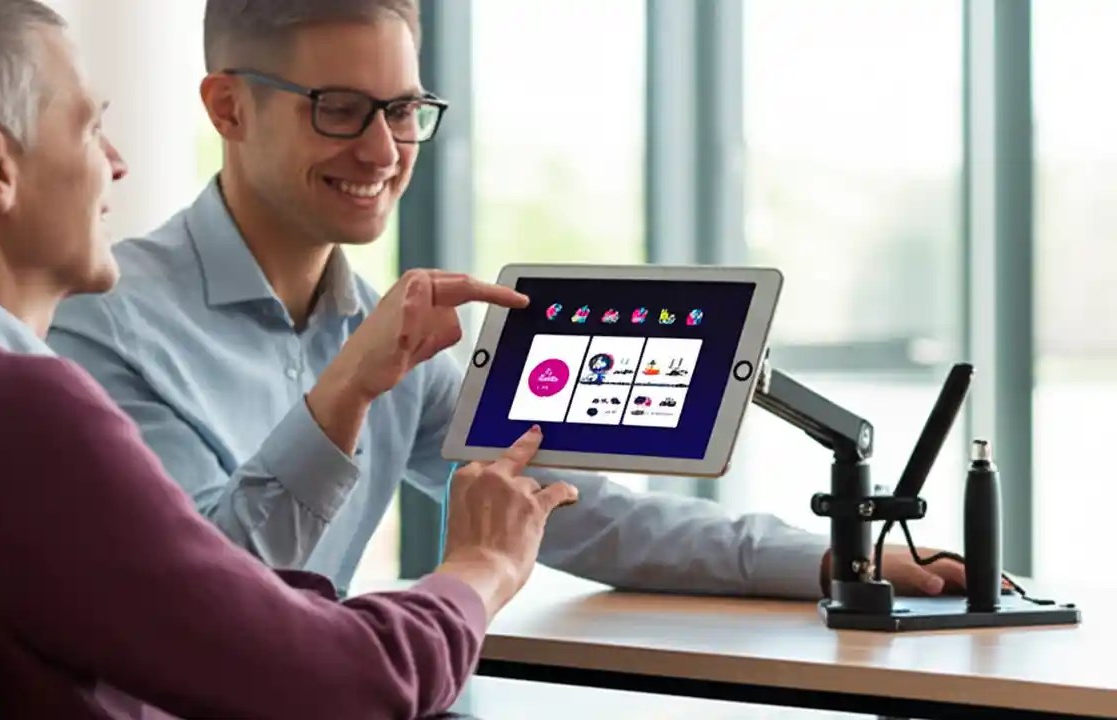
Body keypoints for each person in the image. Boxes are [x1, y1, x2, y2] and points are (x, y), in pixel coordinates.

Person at [49, 0, 965, 599]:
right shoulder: (102, 321)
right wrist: (344, 397)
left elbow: (589, 512)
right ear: (228, 108)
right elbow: (202, 600)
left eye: (403, 110)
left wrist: (833, 558)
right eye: (338, 107)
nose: (382, 152)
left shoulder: (393, 342)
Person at [0, 1, 577, 718]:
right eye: (91, 127)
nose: (117, 164)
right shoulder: (16, 411)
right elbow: (337, 686)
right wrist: (478, 570)